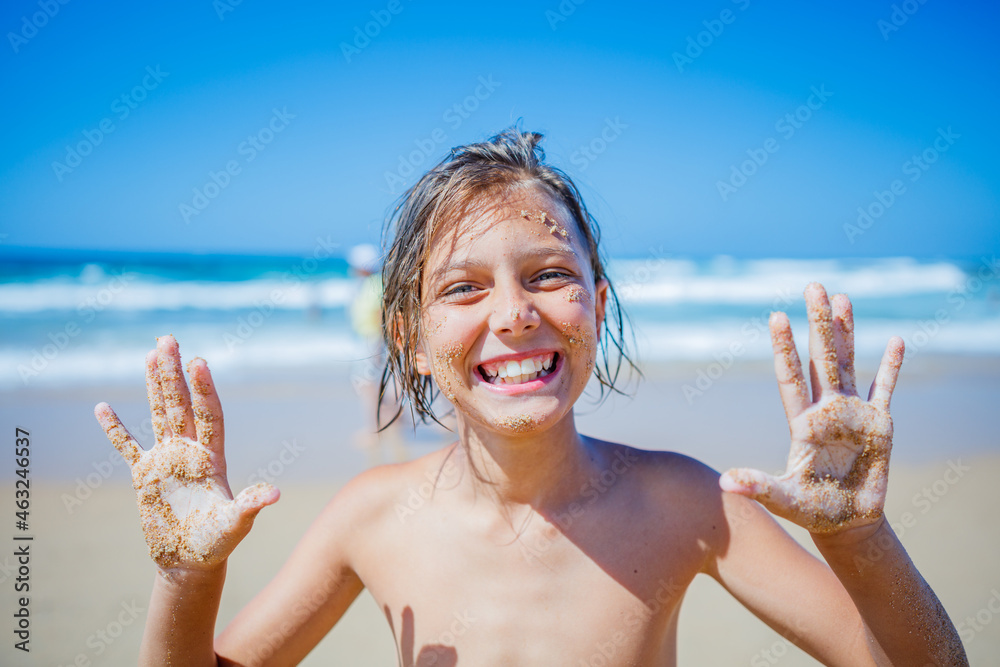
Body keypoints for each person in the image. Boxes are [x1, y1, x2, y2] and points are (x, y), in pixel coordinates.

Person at [94, 128, 968, 666]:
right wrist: (186, 576)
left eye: (550, 275)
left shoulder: (686, 504)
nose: (514, 314)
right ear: (411, 340)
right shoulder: (369, 516)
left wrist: (859, 540)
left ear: (598, 298)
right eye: (464, 288)